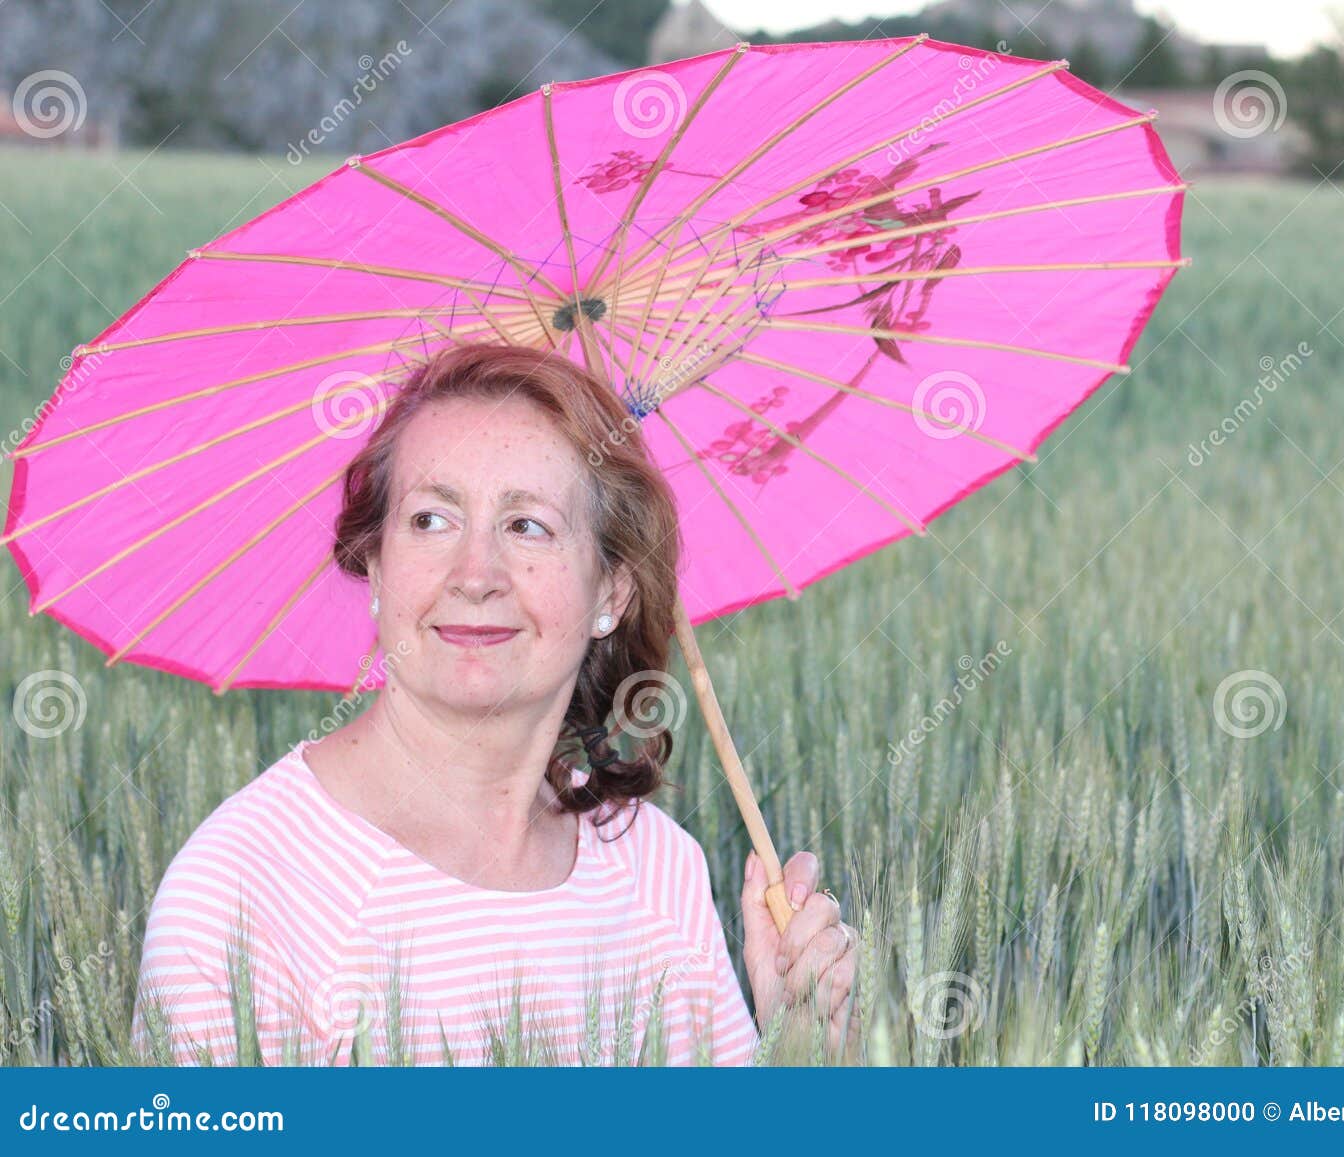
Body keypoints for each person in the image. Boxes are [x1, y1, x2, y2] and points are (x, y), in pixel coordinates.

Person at [130, 342, 860, 1066]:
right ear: (377, 568)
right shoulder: (239, 897)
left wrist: (800, 1064)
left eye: (527, 525)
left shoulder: (656, 866)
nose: (475, 574)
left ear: (611, 592)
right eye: (430, 520)